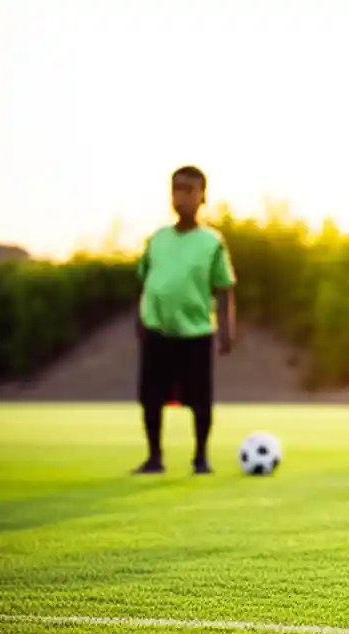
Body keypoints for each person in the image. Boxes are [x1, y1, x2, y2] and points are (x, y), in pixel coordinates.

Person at [134, 166, 236, 475]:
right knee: (150, 396)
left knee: (200, 398)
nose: (181, 196)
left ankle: (200, 457)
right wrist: (139, 318)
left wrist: (227, 330)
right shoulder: (157, 239)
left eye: (189, 190)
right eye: (176, 189)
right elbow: (145, 281)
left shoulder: (211, 242)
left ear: (202, 196)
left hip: (195, 332)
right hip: (157, 329)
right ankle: (154, 457)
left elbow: (224, 288)